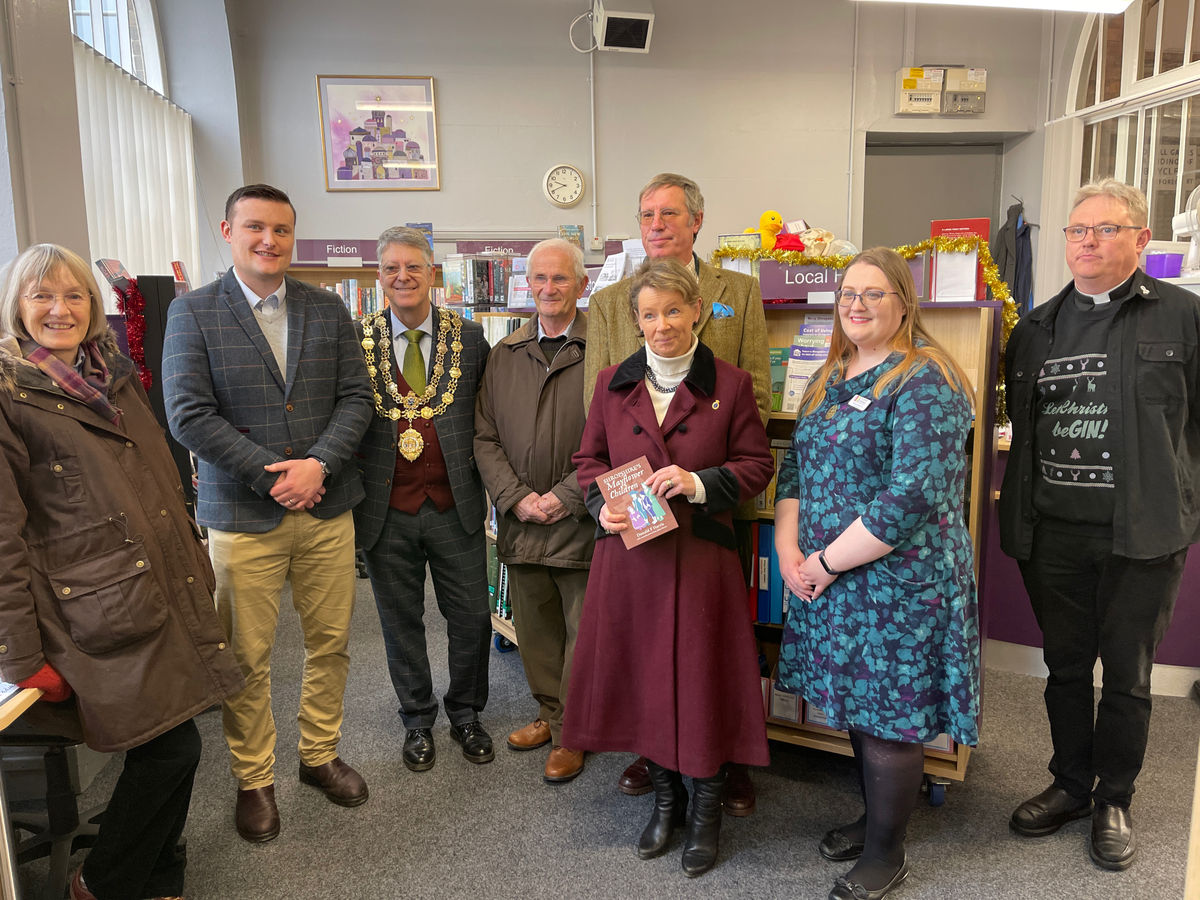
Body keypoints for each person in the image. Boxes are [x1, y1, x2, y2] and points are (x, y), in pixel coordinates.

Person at [0, 244, 244, 899]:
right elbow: (3, 542)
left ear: (93, 304)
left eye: (74, 295)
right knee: (173, 749)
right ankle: (104, 883)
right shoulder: (9, 396)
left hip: (158, 590)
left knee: (177, 741)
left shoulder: (111, 373)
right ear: (16, 307)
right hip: (90, 614)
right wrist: (21, 658)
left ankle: (158, 873)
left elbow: (158, 480)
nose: (60, 309)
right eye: (41, 296)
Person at [162, 184, 374, 844]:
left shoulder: (328, 308)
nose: (269, 240)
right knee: (247, 657)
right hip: (240, 516)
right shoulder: (192, 313)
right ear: (227, 230)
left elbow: (356, 399)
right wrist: (273, 475)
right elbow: (188, 414)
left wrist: (320, 466)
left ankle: (318, 756)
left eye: (282, 229)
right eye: (255, 227)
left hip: (326, 505)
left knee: (330, 644)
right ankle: (255, 779)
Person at [999, 178, 1200, 872]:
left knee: (1126, 676)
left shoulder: (1182, 316)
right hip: (1053, 536)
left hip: (1141, 539)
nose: (1087, 242)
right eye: (1077, 230)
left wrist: (1184, 500)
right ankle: (1070, 784)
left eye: (1105, 229)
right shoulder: (1035, 327)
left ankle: (1115, 796)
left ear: (1140, 240)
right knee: (1064, 668)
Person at [773, 247, 979, 900]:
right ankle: (875, 820)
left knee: (891, 714)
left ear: (903, 303)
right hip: (834, 579)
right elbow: (796, 468)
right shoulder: (829, 376)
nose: (856, 305)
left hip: (901, 584)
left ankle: (887, 853)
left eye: (874, 294)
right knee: (863, 707)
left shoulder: (927, 380)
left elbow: (910, 496)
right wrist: (786, 553)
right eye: (847, 295)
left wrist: (826, 563)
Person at [564, 257, 773, 877]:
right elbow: (588, 459)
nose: (662, 325)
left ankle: (705, 811)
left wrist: (699, 480)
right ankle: (665, 801)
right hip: (631, 561)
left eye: (674, 311)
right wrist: (601, 506)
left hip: (701, 558)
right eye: (649, 314)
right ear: (635, 321)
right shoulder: (610, 383)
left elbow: (758, 465)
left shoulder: (729, 385)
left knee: (701, 680)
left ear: (697, 313)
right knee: (643, 680)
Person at [355, 226, 493, 772]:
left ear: (432, 274)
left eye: (413, 267)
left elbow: (487, 419)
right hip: (384, 509)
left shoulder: (472, 337)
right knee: (399, 621)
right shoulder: (356, 338)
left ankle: (467, 713)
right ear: (379, 277)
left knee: (471, 618)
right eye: (391, 268)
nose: (402, 277)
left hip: (454, 503)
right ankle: (417, 719)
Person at [474, 238, 593, 783]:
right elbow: (485, 436)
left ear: (581, 284)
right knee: (536, 628)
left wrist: (564, 496)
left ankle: (574, 733)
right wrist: (515, 496)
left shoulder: (604, 350)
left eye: (560, 279)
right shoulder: (505, 354)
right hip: (521, 520)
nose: (548, 289)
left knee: (581, 629)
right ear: (527, 285)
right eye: (538, 279)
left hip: (581, 519)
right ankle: (550, 714)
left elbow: (616, 437)